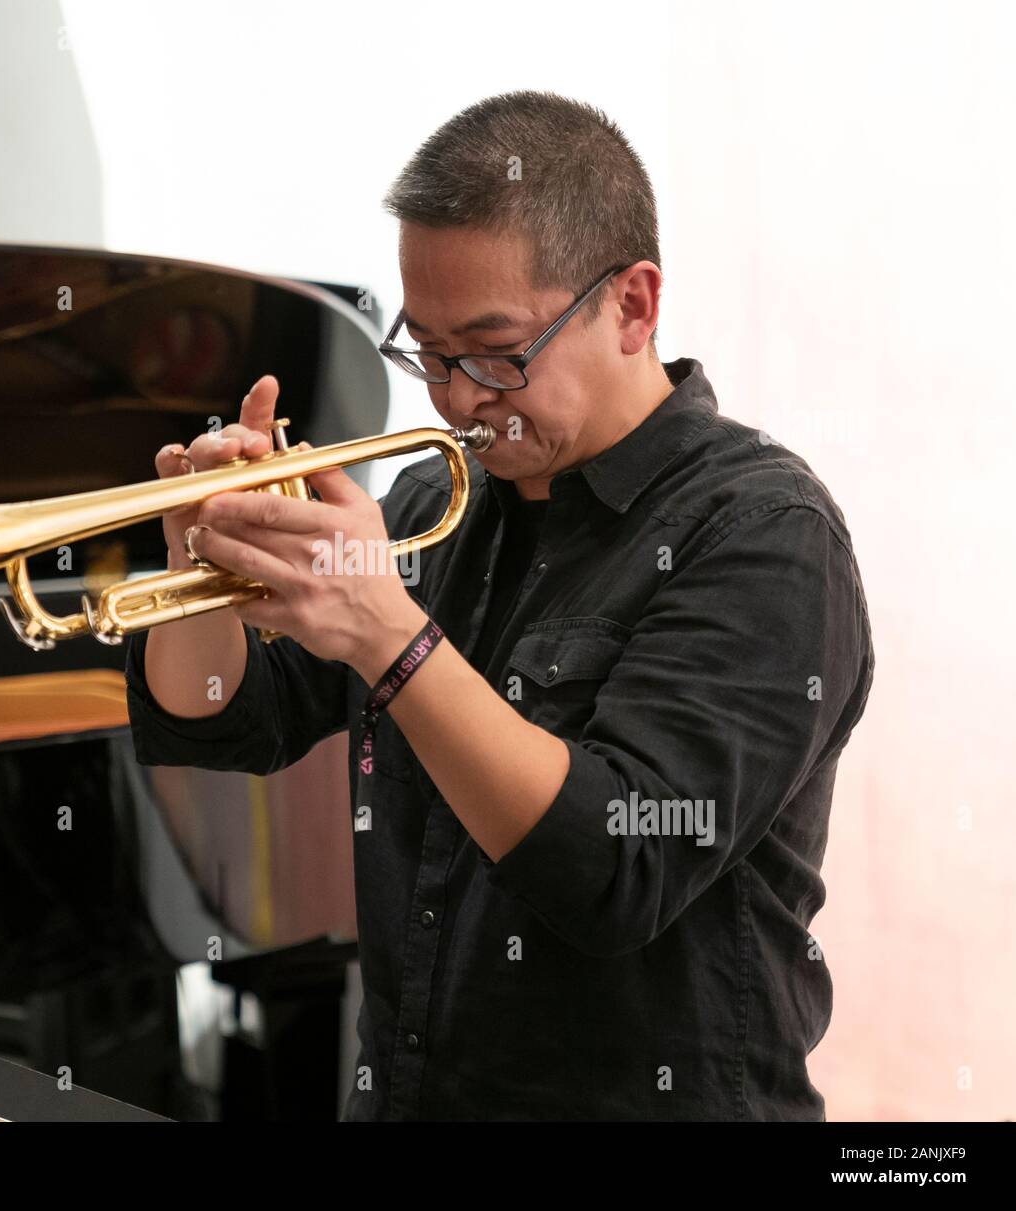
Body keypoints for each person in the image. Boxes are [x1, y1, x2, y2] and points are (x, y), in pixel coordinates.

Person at [125, 90, 874, 1121]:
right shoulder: (436, 498)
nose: (456, 398)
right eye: (425, 352)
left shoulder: (763, 534)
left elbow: (615, 862)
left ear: (634, 305)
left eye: (494, 350)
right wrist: (197, 561)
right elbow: (221, 722)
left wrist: (389, 634)